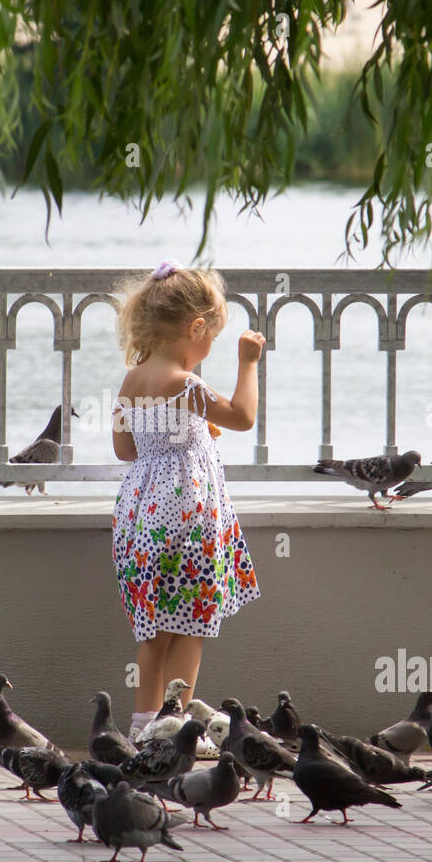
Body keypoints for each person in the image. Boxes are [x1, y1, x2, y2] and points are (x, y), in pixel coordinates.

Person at [111, 259, 265, 738]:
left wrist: (193, 429)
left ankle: (142, 730)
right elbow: (242, 416)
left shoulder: (131, 381)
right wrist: (248, 362)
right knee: (192, 625)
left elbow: (125, 448)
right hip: (188, 516)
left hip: (140, 519)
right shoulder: (185, 384)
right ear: (196, 327)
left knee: (155, 631)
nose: (212, 346)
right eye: (212, 337)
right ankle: (176, 729)